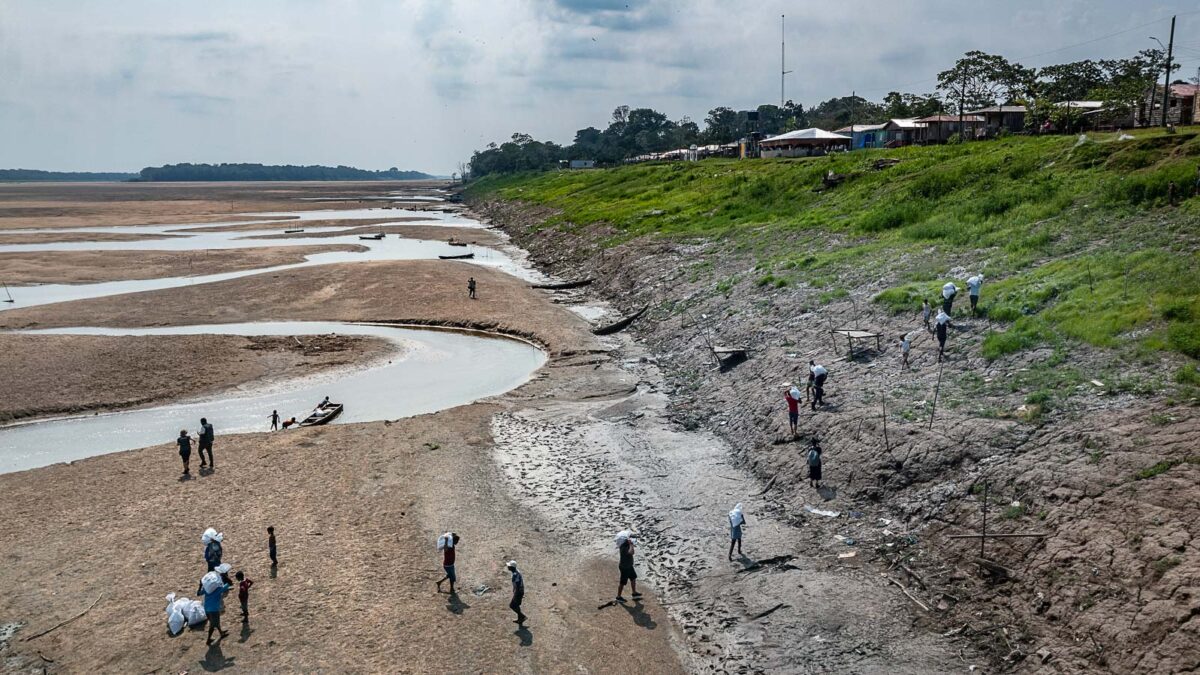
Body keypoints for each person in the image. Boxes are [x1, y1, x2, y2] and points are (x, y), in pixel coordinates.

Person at [197, 571, 231, 645]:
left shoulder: (206, 590)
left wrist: (200, 585)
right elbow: (230, 583)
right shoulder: (219, 589)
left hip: (206, 609)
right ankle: (208, 640)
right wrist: (225, 576)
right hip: (214, 610)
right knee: (213, 625)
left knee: (214, 622)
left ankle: (221, 633)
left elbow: (198, 593)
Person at [615, 530, 641, 603]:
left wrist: (631, 544)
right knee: (622, 582)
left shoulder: (626, 544)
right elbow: (631, 552)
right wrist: (631, 545)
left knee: (633, 578)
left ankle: (634, 593)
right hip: (625, 567)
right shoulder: (624, 547)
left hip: (629, 565)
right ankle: (618, 597)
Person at [506, 560, 526, 625]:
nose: (507, 567)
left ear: (512, 567)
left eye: (509, 566)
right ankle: (520, 618)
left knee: (512, 605)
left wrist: (515, 594)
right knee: (516, 605)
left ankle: (522, 616)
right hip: (520, 591)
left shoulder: (515, 575)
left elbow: (517, 586)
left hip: (518, 592)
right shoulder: (516, 572)